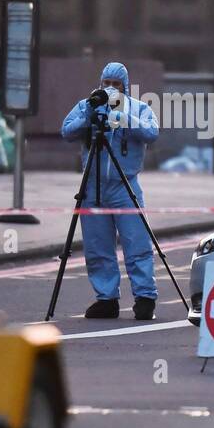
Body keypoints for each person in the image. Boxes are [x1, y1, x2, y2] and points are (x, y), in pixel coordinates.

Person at [60, 61, 160, 320]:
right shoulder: (88, 104)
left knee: (136, 242)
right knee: (97, 246)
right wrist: (88, 118)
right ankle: (106, 298)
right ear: (100, 83)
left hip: (125, 184)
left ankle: (145, 296)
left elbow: (151, 133)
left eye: (117, 84)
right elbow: (66, 131)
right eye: (107, 83)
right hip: (92, 187)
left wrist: (125, 118)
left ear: (125, 86)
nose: (111, 89)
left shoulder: (138, 108)